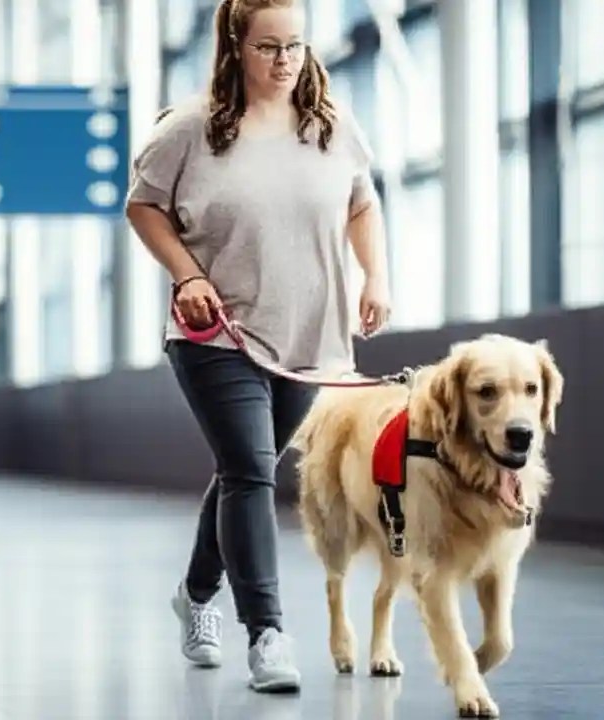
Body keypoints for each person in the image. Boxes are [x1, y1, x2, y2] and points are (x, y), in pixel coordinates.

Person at [124, 0, 393, 694]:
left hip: (307, 335)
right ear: (235, 49)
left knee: (244, 469)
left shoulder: (330, 127)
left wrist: (376, 277)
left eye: (295, 46)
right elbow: (142, 204)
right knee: (250, 472)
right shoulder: (189, 130)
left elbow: (362, 203)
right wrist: (186, 273)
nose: (284, 62)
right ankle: (267, 632)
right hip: (217, 334)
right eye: (268, 48)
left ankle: (194, 594)